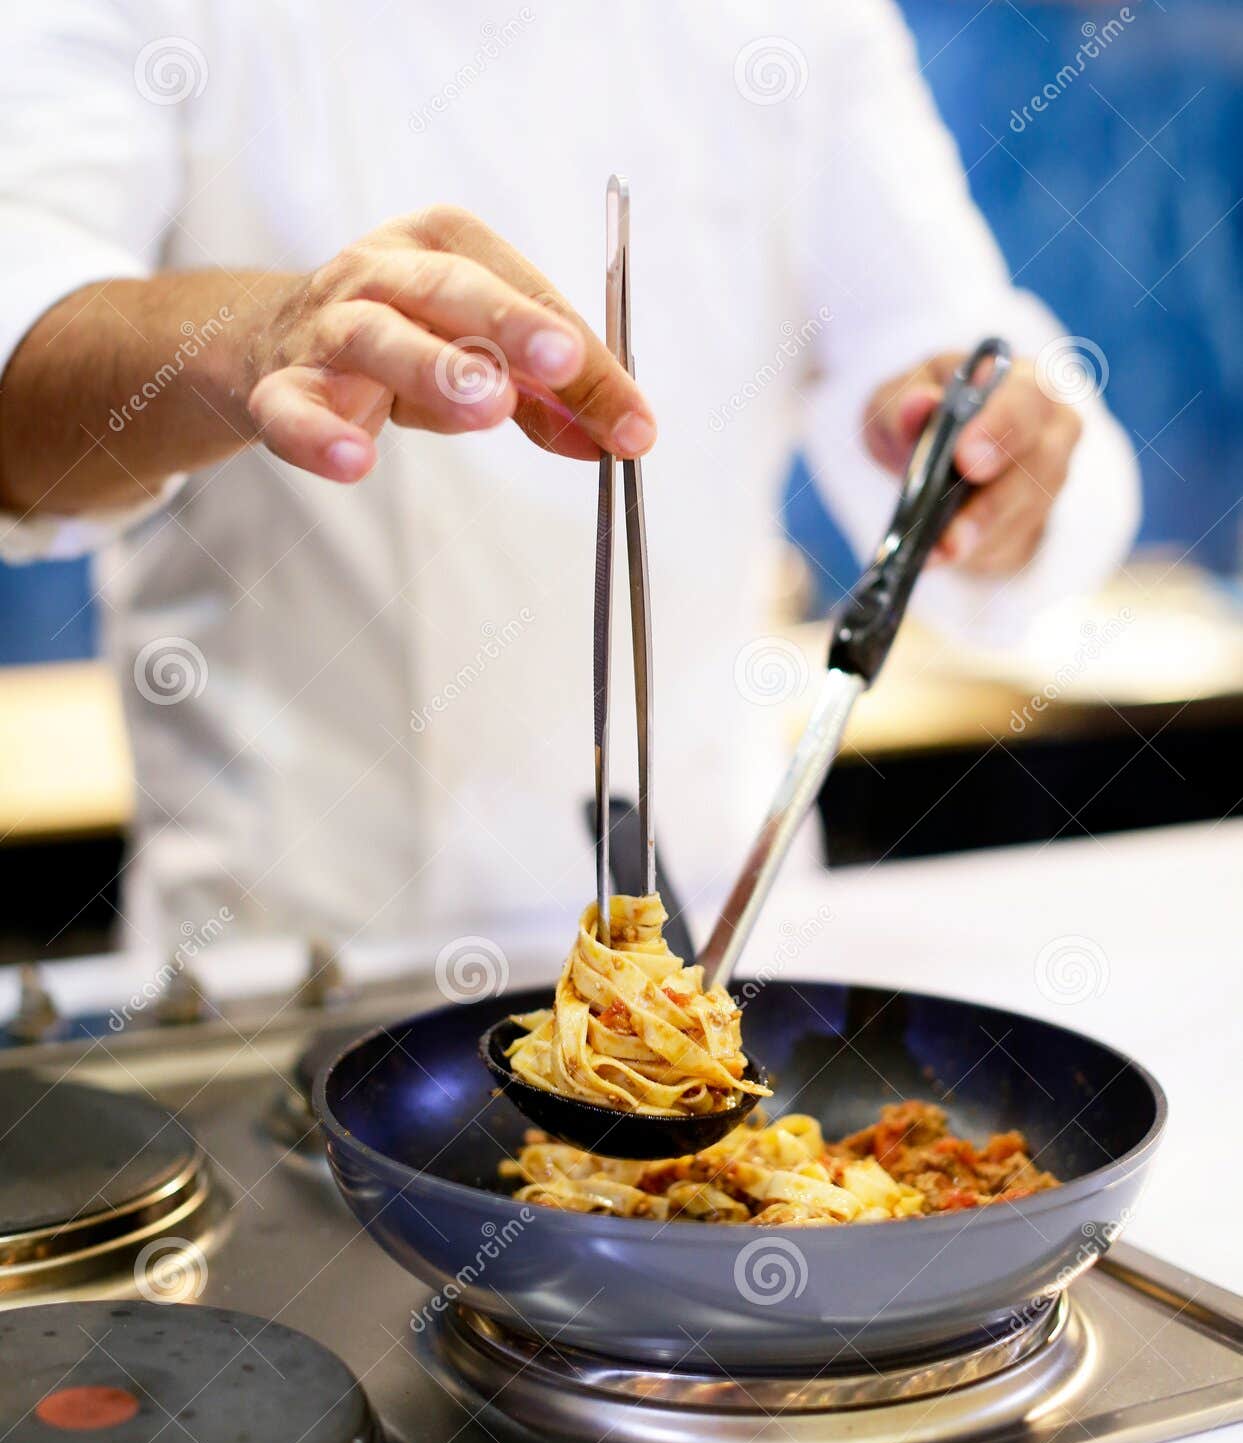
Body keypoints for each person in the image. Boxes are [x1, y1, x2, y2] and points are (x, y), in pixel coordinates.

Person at [0, 1, 1138, 964]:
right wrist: (262, 341)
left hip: (718, 953)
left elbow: (947, 339)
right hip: (294, 968)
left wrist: (995, 462)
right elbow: (19, 350)